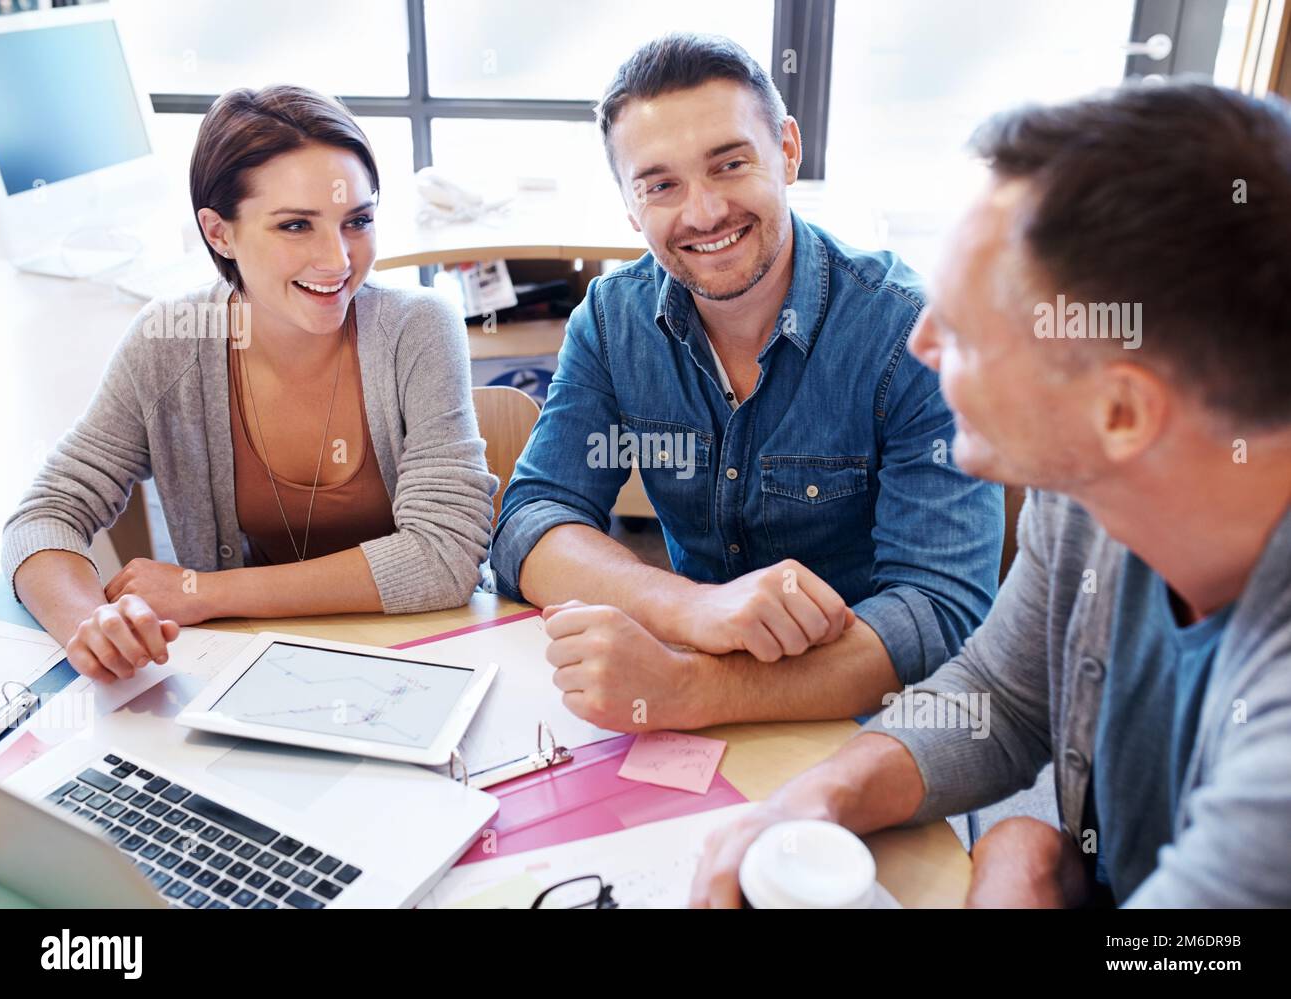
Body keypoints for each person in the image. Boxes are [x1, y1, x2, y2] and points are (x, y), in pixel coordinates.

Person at [691, 81, 1291, 907]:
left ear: (1120, 411)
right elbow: (1001, 696)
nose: (921, 340)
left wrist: (1017, 871)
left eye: (968, 328)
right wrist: (816, 798)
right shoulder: (1093, 491)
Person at [491, 34, 1003, 732]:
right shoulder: (612, 321)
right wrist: (692, 609)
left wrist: (698, 689)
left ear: (788, 150)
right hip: (681, 678)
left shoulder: (911, 333)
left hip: (862, 712)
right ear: (629, 206)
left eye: (730, 164)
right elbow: (531, 521)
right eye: (661, 184)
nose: (703, 213)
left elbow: (939, 613)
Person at [3, 85, 497, 684]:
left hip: (425, 662)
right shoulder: (170, 341)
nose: (337, 259)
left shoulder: (417, 329)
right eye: (295, 226)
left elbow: (444, 559)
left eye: (357, 221)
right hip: (248, 674)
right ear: (219, 233)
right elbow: (46, 514)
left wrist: (208, 592)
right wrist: (92, 626)